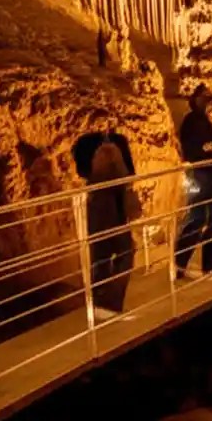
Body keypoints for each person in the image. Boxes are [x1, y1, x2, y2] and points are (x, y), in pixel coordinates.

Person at [71, 131, 140, 317]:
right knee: (106, 250)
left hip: (108, 198)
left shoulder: (88, 141)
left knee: (117, 251)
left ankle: (109, 302)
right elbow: (130, 171)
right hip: (105, 199)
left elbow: (81, 170)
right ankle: (105, 304)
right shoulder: (100, 141)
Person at [176, 84, 212, 278]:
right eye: (204, 98)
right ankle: (185, 263)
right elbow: (195, 148)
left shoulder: (201, 121)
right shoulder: (192, 121)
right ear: (196, 100)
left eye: (208, 99)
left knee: (211, 218)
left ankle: (204, 264)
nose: (207, 103)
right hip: (205, 174)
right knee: (202, 217)